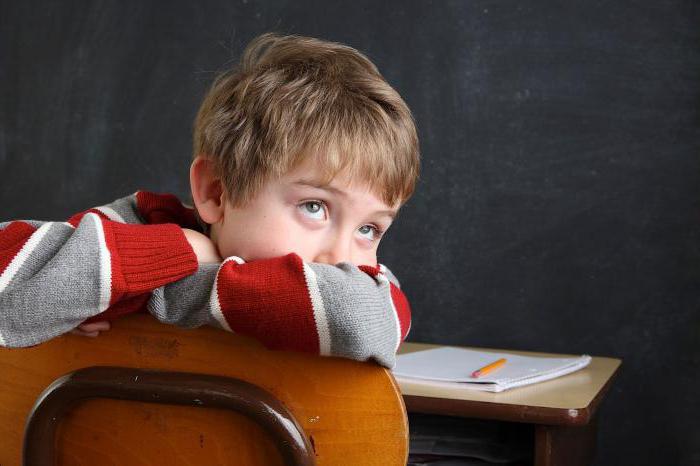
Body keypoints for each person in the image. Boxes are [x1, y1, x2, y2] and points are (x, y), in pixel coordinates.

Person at [0, 32, 419, 368]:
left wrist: (154, 289)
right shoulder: (140, 227)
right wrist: (177, 249)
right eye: (314, 207)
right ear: (216, 191)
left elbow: (367, 320)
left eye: (369, 229)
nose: (342, 257)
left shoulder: (367, 286)